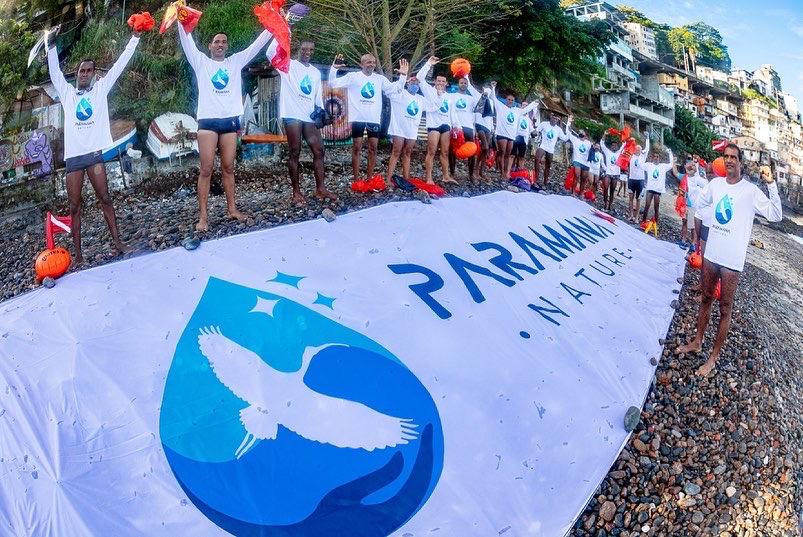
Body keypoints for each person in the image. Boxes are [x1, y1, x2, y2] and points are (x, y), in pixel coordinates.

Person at [676, 144, 782, 376]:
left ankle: (713, 357)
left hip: (732, 261)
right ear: (723, 161)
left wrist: (771, 183)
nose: (730, 160)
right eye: (726, 157)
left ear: (740, 162)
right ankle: (697, 341)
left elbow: (776, 215)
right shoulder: (715, 185)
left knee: (725, 309)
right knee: (705, 298)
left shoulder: (751, 191)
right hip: (712, 254)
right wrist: (691, 177)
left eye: (734, 157)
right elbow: (698, 201)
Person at [46, 25, 140, 264]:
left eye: (89, 70)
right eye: (81, 71)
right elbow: (55, 71)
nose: (85, 73)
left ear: (94, 74)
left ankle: (118, 243)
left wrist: (135, 38)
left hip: (94, 155)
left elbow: (120, 66)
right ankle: (78, 256)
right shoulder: (67, 93)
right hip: (75, 158)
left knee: (105, 198)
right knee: (75, 206)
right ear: (77, 74)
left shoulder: (100, 90)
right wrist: (52, 43)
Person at [178, 25, 271, 232]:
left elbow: (257, 46)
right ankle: (203, 217)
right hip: (208, 123)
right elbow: (187, 41)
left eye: (223, 42)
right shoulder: (201, 61)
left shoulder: (235, 61)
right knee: (206, 169)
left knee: (229, 168)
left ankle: (232, 209)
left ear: (227, 46)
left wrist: (273, 27)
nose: (220, 44)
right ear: (210, 46)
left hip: (229, 122)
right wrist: (180, 19)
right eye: (216, 41)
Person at [267, 38, 337, 204]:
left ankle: (320, 188)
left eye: (311, 50)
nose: (308, 53)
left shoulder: (315, 72)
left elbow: (317, 96)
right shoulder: (287, 64)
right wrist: (282, 32)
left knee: (319, 150)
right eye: (305, 49)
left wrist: (323, 114)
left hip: (308, 115)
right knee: (295, 151)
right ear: (298, 49)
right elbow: (270, 54)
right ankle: (296, 191)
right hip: (292, 113)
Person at [329, 53, 406, 184]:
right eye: (368, 62)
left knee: (373, 148)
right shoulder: (353, 77)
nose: (371, 64)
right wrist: (334, 69)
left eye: (373, 62)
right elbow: (332, 84)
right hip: (358, 118)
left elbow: (395, 89)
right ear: (361, 64)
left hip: (373, 119)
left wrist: (403, 76)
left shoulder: (379, 79)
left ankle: (369, 179)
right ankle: (356, 179)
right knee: (357, 147)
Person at [417, 56, 462, 185]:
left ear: (446, 83)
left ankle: (446, 176)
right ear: (435, 82)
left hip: (446, 126)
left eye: (443, 81)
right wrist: (428, 64)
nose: (441, 83)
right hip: (433, 125)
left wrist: (457, 127)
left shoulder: (449, 97)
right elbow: (420, 78)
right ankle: (429, 178)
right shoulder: (429, 91)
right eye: (438, 81)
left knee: (445, 152)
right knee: (431, 151)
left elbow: (453, 113)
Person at [490, 83, 538, 179]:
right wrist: (493, 87)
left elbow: (527, 109)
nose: (510, 101)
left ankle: (507, 172)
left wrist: (535, 103)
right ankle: (502, 172)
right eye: (509, 99)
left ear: (514, 101)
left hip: (511, 136)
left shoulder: (517, 110)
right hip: (501, 133)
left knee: (508, 154)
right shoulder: (501, 106)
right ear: (506, 100)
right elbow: (493, 98)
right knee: (502, 152)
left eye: (512, 100)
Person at [385, 71, 425, 185]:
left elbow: (434, 105)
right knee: (396, 151)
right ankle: (388, 179)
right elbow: (389, 92)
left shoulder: (420, 99)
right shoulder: (400, 93)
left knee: (408, 152)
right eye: (412, 81)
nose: (415, 84)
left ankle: (406, 178)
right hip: (399, 128)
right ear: (407, 82)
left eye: (417, 82)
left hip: (412, 129)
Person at [449, 74, 482, 181]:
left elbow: (480, 101)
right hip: (456, 127)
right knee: (452, 150)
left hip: (468, 127)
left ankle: (471, 174)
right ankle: (452, 172)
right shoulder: (452, 96)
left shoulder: (471, 98)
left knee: (472, 150)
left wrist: (475, 129)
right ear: (458, 84)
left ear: (468, 85)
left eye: (465, 83)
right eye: (461, 83)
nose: (463, 84)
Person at [641, 146, 675, 226]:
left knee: (656, 207)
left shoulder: (663, 166)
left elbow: (671, 164)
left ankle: (656, 223)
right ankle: (643, 221)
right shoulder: (649, 165)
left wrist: (670, 153)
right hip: (650, 188)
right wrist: (643, 153)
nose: (656, 158)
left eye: (657, 157)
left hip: (658, 190)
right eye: (654, 157)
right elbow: (641, 164)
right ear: (652, 158)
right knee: (647, 206)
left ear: (660, 159)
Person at [533, 113, 568, 187]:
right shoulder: (544, 124)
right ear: (551, 117)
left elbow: (564, 138)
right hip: (543, 145)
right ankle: (535, 179)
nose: (555, 120)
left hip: (551, 149)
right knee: (537, 159)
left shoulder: (558, 129)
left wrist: (569, 130)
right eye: (554, 118)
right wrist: (534, 133)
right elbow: (537, 130)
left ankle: (545, 182)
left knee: (548, 165)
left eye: (557, 119)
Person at [681, 157, 707, 245]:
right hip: (686, 203)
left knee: (693, 226)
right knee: (685, 222)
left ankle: (693, 243)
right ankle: (684, 240)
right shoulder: (691, 176)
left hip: (695, 206)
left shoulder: (702, 178)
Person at [564, 116, 592, 196]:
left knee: (584, 178)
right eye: (580, 132)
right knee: (577, 175)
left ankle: (580, 194)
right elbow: (568, 132)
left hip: (586, 162)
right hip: (577, 161)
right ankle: (573, 192)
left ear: (585, 135)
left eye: (583, 133)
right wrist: (569, 122)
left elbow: (592, 151)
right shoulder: (575, 139)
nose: (581, 133)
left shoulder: (588, 143)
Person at [474, 87, 495, 180]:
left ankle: (481, 171)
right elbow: (475, 111)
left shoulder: (491, 102)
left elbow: (491, 116)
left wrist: (492, 128)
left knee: (485, 150)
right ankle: (475, 170)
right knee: (485, 147)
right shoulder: (479, 98)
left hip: (487, 127)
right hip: (479, 124)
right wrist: (474, 127)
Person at [626, 135, 649, 222]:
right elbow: (627, 148)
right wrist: (630, 140)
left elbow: (647, 149)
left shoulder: (643, 157)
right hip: (631, 179)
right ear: (634, 149)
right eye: (636, 149)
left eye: (639, 149)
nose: (637, 150)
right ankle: (631, 215)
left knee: (638, 199)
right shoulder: (631, 156)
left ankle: (636, 217)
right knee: (631, 199)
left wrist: (647, 138)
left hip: (640, 180)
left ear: (641, 150)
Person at [600, 136, 625, 211]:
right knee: (605, 189)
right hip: (608, 173)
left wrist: (623, 136)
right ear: (611, 146)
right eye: (613, 145)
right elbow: (602, 144)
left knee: (612, 191)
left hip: (616, 175)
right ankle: (605, 204)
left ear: (617, 147)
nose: (614, 147)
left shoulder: (619, 153)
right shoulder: (607, 152)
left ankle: (610, 206)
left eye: (615, 146)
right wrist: (604, 135)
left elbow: (624, 144)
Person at [512, 102, 536, 171]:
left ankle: (520, 171)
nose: (525, 107)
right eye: (523, 105)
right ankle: (511, 168)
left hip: (524, 140)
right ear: (521, 106)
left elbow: (532, 130)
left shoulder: (528, 120)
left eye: (526, 105)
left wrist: (537, 131)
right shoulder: (517, 114)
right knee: (513, 155)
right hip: (515, 137)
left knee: (521, 156)